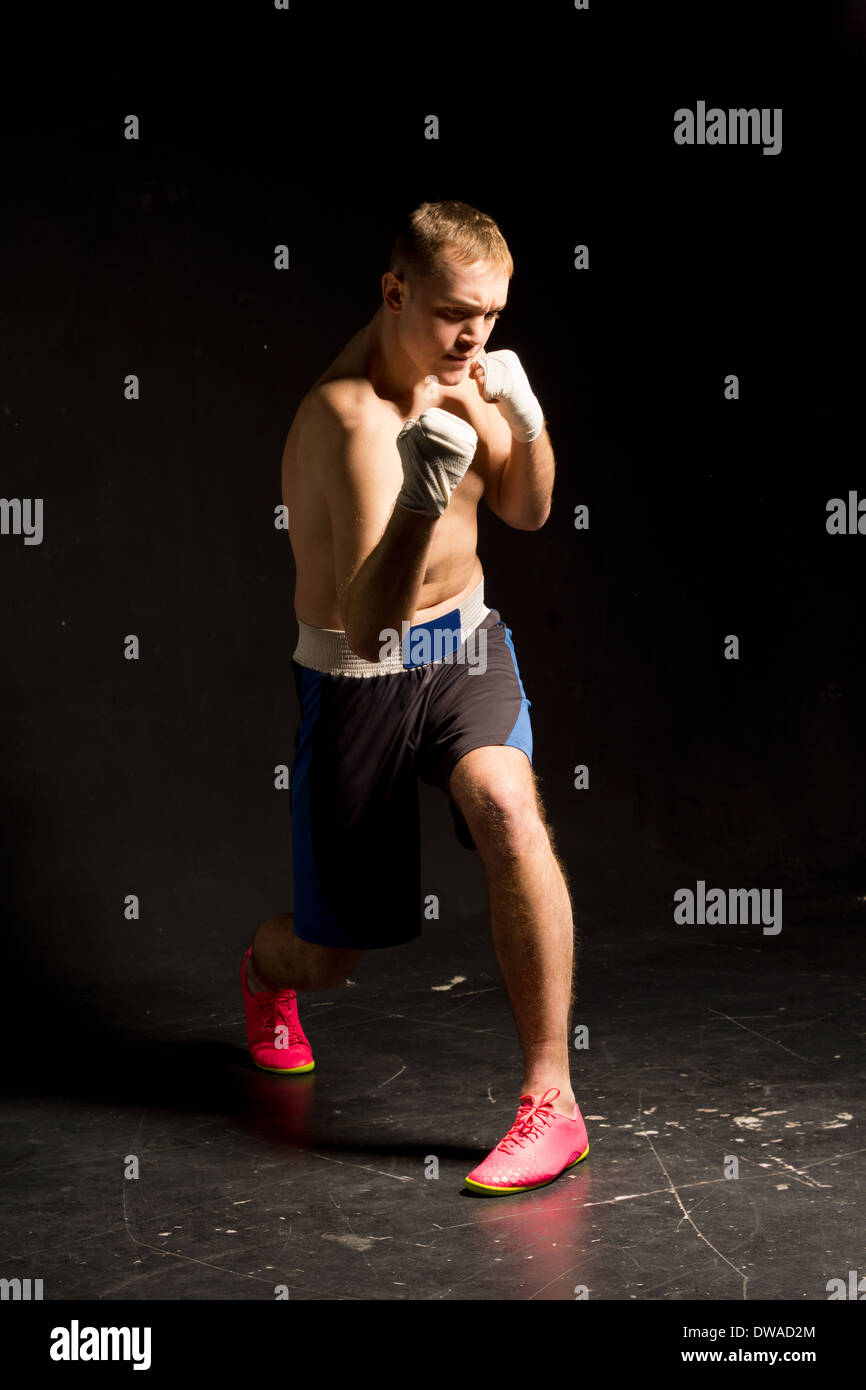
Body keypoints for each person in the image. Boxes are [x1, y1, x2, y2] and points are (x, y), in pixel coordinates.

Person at [240, 200, 589, 1194]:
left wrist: (521, 418)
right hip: (359, 675)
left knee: (508, 808)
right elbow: (369, 631)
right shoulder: (342, 420)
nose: (474, 337)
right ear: (394, 293)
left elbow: (525, 506)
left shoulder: (468, 373)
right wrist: (421, 494)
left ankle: (551, 1102)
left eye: (490, 314)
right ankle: (263, 979)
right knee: (329, 957)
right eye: (452, 314)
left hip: (466, 645)